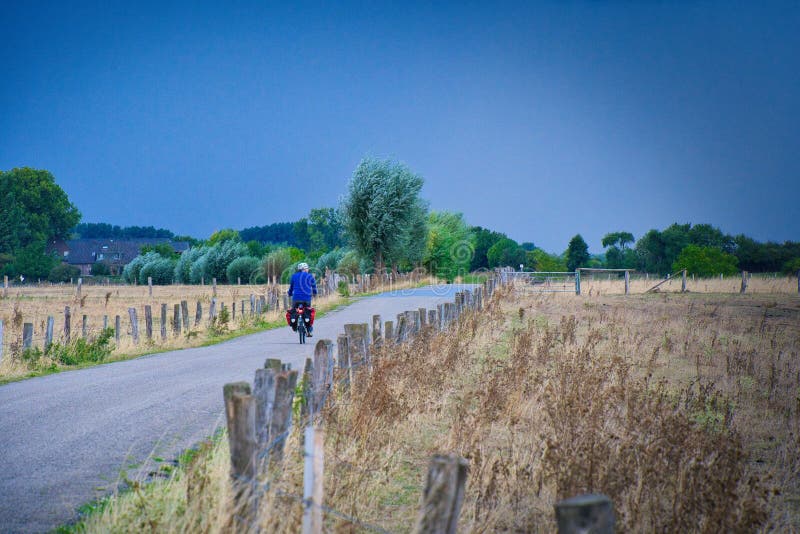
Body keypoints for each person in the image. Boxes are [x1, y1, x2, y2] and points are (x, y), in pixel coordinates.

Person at [288, 262, 318, 336]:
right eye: (307, 268)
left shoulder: (294, 276)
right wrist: (314, 293)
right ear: (305, 269)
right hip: (306, 298)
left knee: (294, 311)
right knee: (308, 312)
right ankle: (309, 330)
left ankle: (294, 326)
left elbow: (291, 288)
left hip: (296, 298)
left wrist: (289, 293)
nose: (308, 270)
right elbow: (314, 287)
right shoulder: (310, 276)